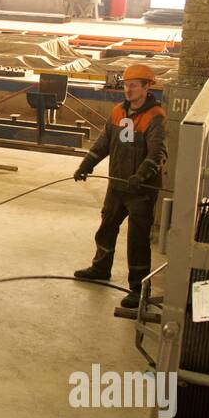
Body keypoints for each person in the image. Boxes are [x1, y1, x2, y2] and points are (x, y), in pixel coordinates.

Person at [72, 64, 167, 309]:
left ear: (147, 87)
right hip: (116, 185)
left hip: (140, 190)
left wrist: (141, 176)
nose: (128, 89)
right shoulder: (118, 112)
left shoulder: (155, 116)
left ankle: (138, 288)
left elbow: (157, 153)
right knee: (107, 227)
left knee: (137, 239)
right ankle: (100, 268)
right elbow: (104, 142)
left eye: (134, 85)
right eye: (126, 85)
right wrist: (86, 165)